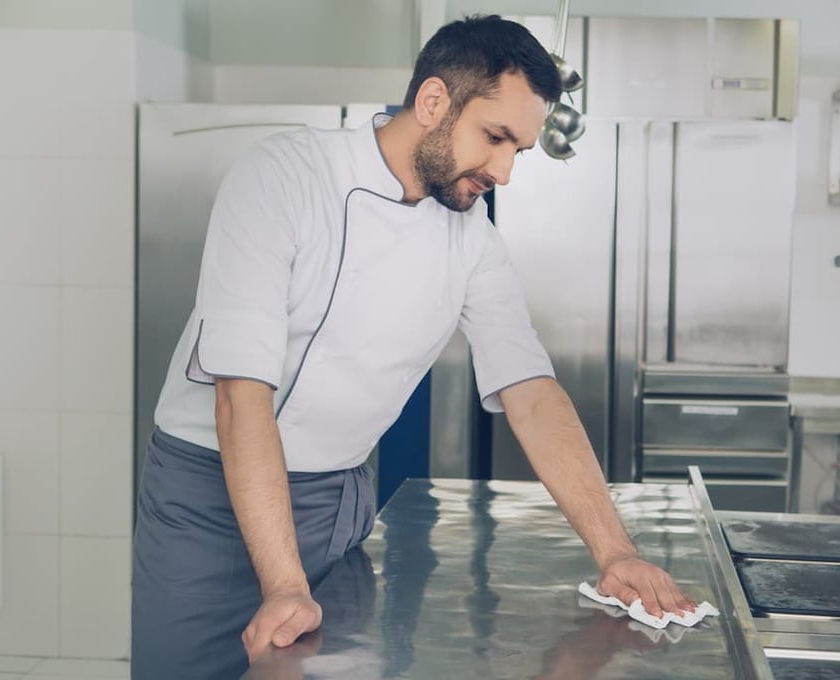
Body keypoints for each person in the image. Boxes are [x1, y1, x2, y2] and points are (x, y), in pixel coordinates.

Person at [131, 14, 694, 680]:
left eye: (520, 150)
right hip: (209, 500)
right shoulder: (284, 179)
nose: (506, 171)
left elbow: (531, 391)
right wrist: (284, 583)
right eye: (496, 138)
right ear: (433, 102)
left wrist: (615, 553)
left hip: (337, 499)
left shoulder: (471, 237)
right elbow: (240, 395)